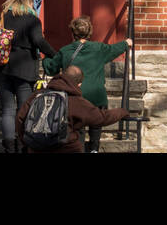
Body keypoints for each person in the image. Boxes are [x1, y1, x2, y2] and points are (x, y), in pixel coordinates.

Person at [42, 16, 132, 153]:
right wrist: (127, 43)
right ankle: (94, 149)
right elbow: (116, 48)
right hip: (97, 96)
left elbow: (51, 68)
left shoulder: (65, 51)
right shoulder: (99, 48)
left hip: (75, 97)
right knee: (96, 123)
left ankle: (80, 148)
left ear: (72, 33)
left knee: (78, 127)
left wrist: (45, 60)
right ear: (90, 32)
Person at [0, 0, 56, 153]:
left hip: (1, 68)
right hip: (24, 70)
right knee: (24, 109)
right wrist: (55, 55)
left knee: (7, 109)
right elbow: (38, 41)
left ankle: (8, 147)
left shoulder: (0, 17)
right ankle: (23, 145)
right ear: (29, 3)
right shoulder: (32, 20)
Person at [16, 65, 129, 154]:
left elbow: (20, 119)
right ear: (78, 84)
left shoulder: (37, 95)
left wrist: (28, 143)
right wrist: (122, 112)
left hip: (36, 149)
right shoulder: (75, 101)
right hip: (67, 148)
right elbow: (101, 117)